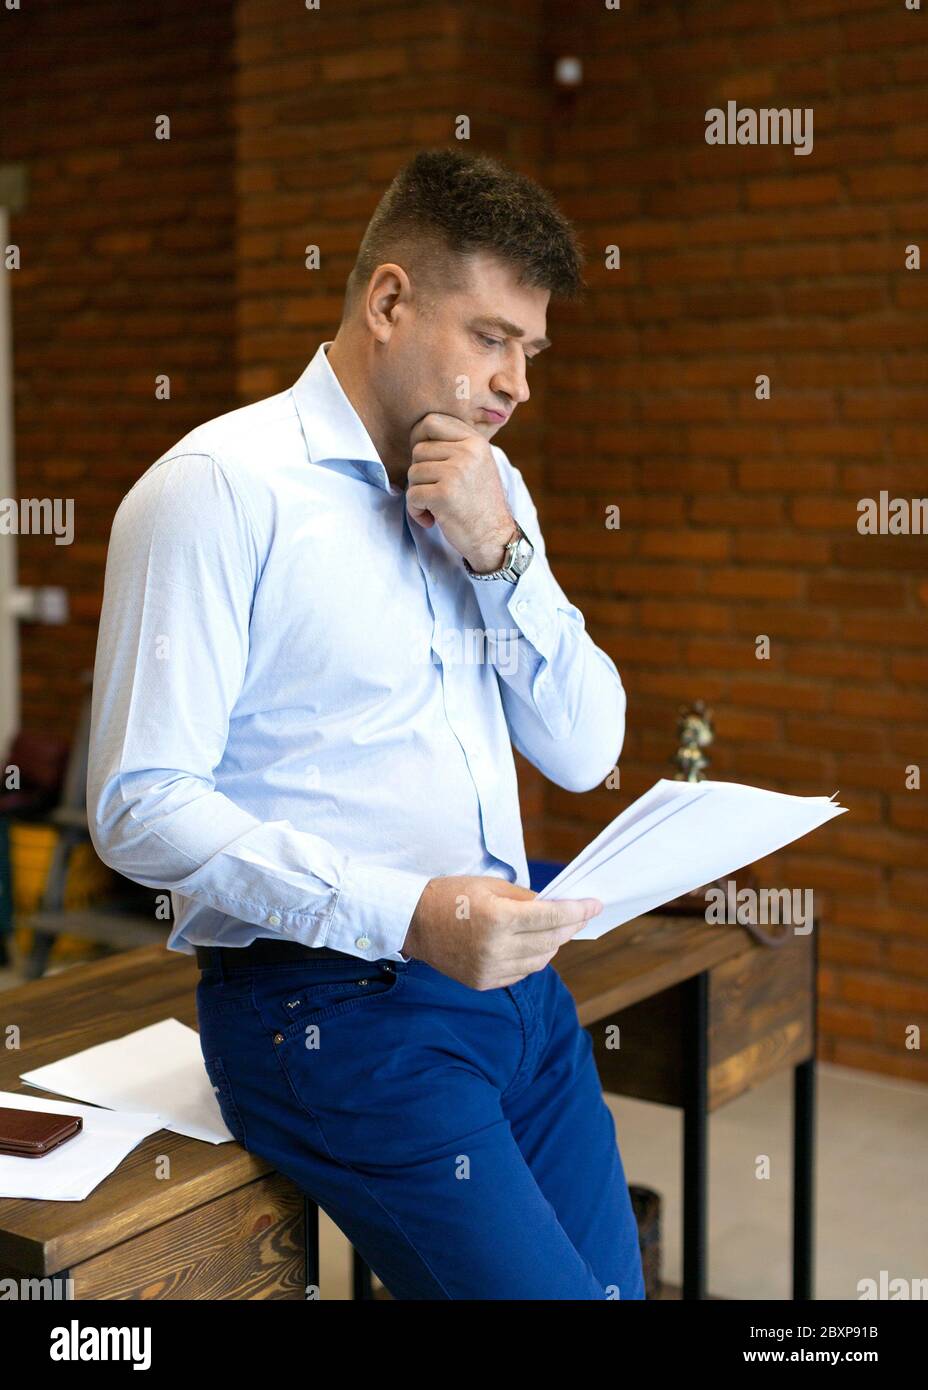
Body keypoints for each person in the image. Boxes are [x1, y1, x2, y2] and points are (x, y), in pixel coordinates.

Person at [86, 146, 645, 1300]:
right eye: (490, 336)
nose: (515, 384)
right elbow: (138, 805)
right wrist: (408, 913)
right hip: (330, 1010)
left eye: (529, 351)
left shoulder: (494, 492)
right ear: (388, 300)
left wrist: (501, 553)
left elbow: (588, 750)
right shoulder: (217, 490)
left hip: (520, 994)